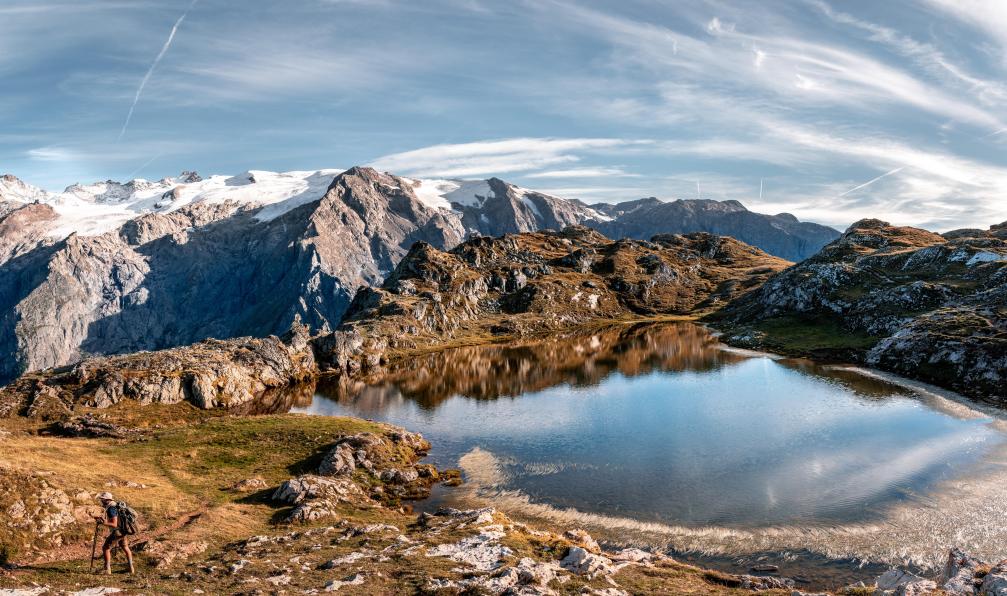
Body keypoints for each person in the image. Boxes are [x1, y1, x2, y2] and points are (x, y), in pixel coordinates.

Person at [93, 492, 134, 575]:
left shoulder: (111, 508)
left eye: (102, 499)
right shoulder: (116, 506)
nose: (101, 501)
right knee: (125, 547)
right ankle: (131, 568)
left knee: (106, 548)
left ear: (107, 500)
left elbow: (114, 524)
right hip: (124, 531)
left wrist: (103, 523)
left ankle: (107, 569)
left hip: (117, 532)